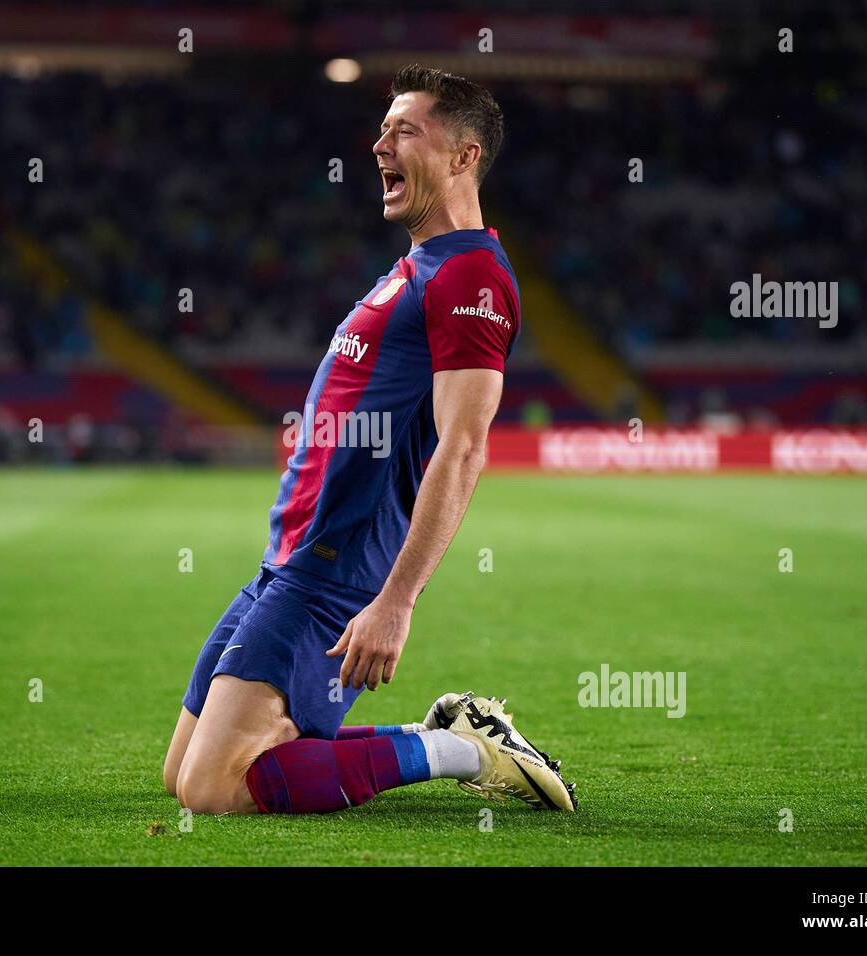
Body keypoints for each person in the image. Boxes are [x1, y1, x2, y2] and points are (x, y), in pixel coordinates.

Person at [165, 65, 576, 815]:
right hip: (288, 558)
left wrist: (397, 601)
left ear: (463, 156)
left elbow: (464, 447)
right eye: (383, 128)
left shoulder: (471, 278)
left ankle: (463, 752)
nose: (379, 143)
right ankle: (457, 731)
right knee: (183, 771)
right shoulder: (418, 267)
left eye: (404, 130)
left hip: (339, 568)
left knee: (214, 787)